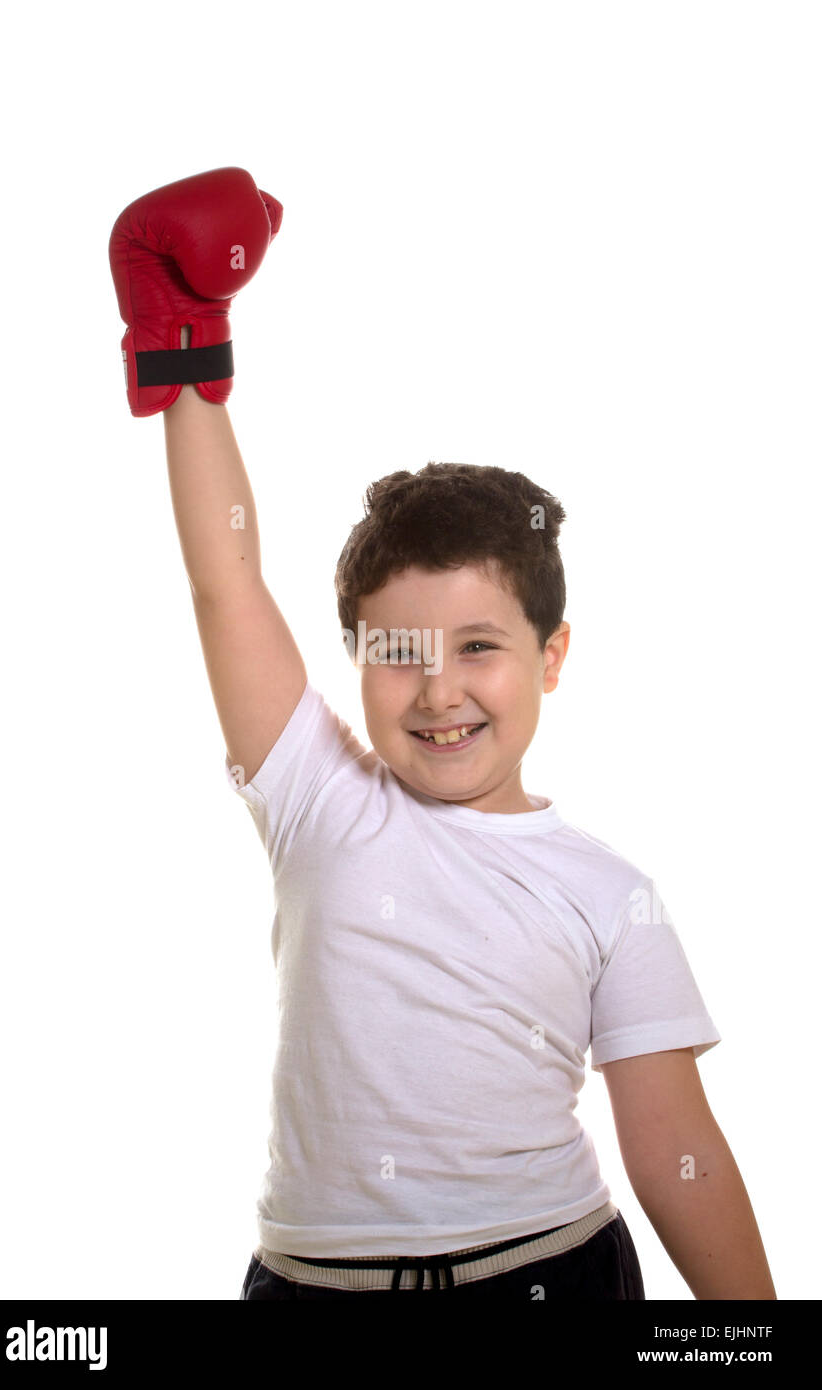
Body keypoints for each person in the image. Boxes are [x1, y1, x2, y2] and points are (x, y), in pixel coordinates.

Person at [109, 167, 777, 1301]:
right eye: (398, 652)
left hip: (545, 1274)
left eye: (477, 646)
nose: (436, 691)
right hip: (308, 1285)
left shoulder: (606, 892)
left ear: (550, 658)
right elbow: (226, 580)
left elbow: (678, 1153)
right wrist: (188, 357)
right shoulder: (319, 795)